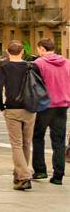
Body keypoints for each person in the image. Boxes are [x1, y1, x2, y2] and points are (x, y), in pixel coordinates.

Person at [0, 40, 37, 191]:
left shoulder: (4, 67)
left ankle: (24, 176)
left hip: (12, 109)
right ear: (22, 52)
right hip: (30, 109)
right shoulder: (31, 66)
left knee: (16, 144)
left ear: (7, 51)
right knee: (26, 143)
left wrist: (2, 107)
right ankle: (19, 175)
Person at [33, 37, 70, 184]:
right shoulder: (67, 63)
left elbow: (34, 85)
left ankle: (40, 171)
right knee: (59, 141)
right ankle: (58, 175)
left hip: (44, 106)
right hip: (62, 105)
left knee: (38, 137)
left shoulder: (38, 63)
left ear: (42, 48)